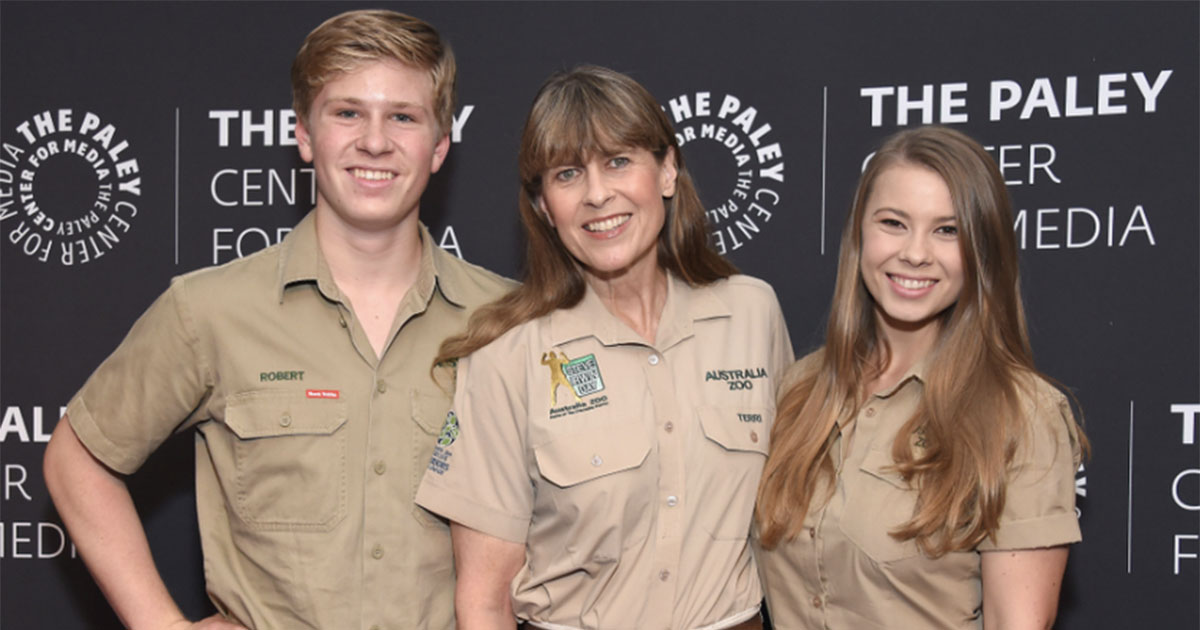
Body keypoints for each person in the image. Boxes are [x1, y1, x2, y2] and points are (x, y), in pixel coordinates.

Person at [42, 9, 512, 629]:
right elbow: (77, 458)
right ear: (305, 136)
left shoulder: (508, 321)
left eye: (403, 116)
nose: (375, 140)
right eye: (347, 113)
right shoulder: (209, 310)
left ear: (440, 146)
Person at [414, 65, 794, 630]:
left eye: (618, 161)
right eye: (567, 175)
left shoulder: (751, 313)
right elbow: (484, 598)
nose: (597, 194)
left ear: (667, 170)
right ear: (544, 207)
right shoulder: (507, 354)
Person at [754, 126, 1087, 630]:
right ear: (859, 233)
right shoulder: (798, 390)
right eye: (893, 222)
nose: (915, 252)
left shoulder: (1021, 415)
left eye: (947, 231)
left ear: (983, 251)